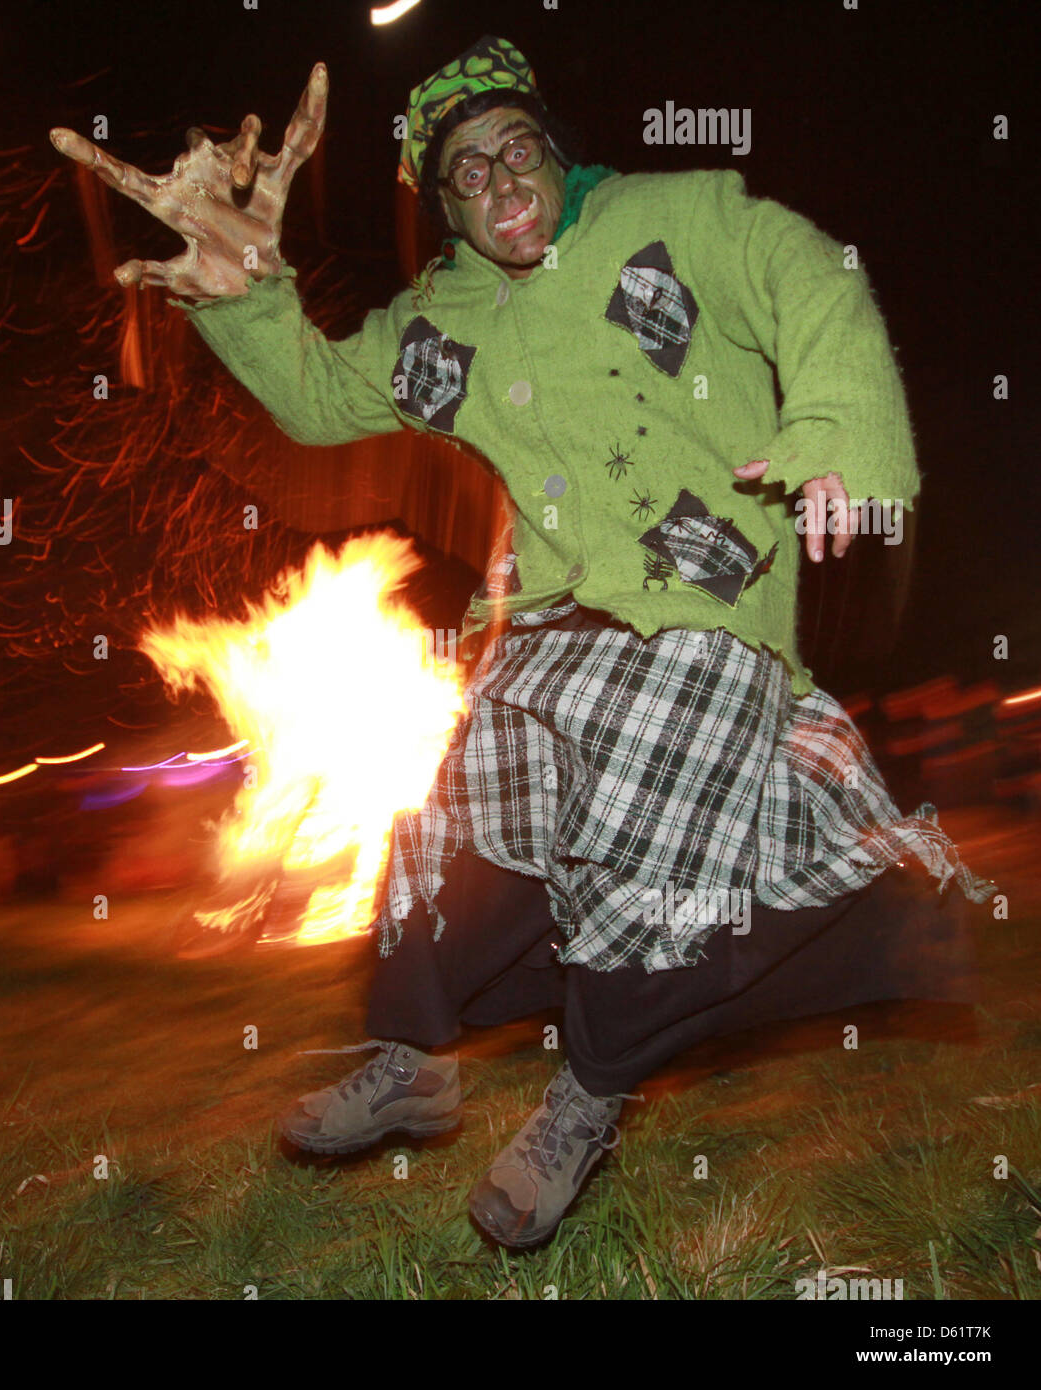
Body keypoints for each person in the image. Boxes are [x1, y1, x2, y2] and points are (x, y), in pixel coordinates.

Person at [52, 35, 992, 1249]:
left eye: (514, 152)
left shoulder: (683, 218)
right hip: (555, 625)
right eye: (465, 177)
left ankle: (586, 1100)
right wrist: (251, 295)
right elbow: (327, 397)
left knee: (639, 842)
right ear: (446, 208)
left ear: (552, 150)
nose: (499, 185)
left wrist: (835, 433)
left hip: (709, 617)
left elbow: (812, 277)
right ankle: (411, 1058)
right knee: (458, 820)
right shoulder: (450, 314)